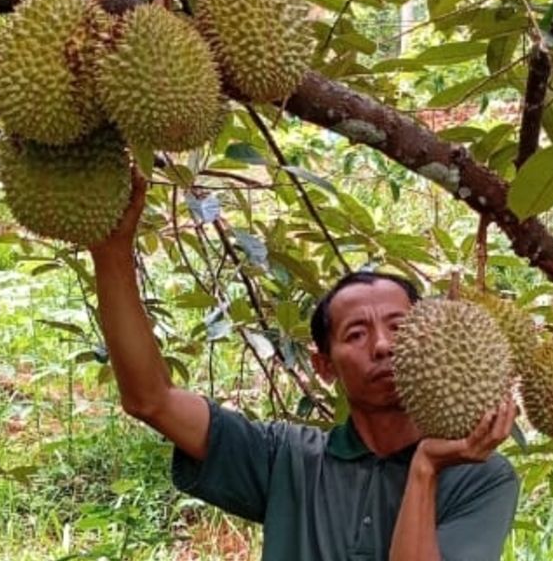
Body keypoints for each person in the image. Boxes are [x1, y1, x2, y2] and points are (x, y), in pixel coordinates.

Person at [89, 175, 520, 560]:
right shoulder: (285, 459)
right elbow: (152, 400)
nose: (384, 346)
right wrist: (111, 251)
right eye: (356, 334)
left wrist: (425, 469)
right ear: (324, 366)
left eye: (399, 327)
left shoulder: (480, 479)